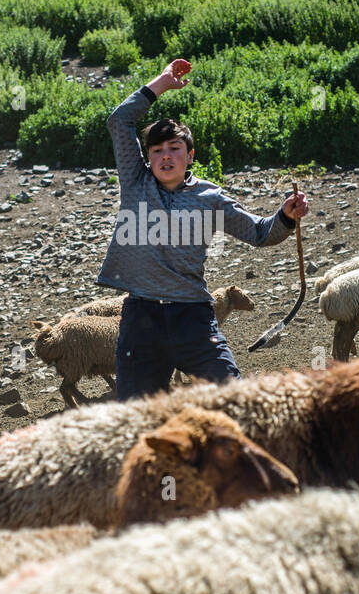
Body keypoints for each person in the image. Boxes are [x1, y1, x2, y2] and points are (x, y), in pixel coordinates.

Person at [97, 58, 310, 401]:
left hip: (193, 317)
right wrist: (161, 85)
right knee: (133, 419)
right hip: (141, 320)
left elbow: (259, 233)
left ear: (190, 155)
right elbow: (119, 120)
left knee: (234, 399)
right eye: (157, 150)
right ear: (147, 157)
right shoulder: (135, 182)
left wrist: (286, 216)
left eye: (174, 148)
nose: (165, 156)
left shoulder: (209, 197)